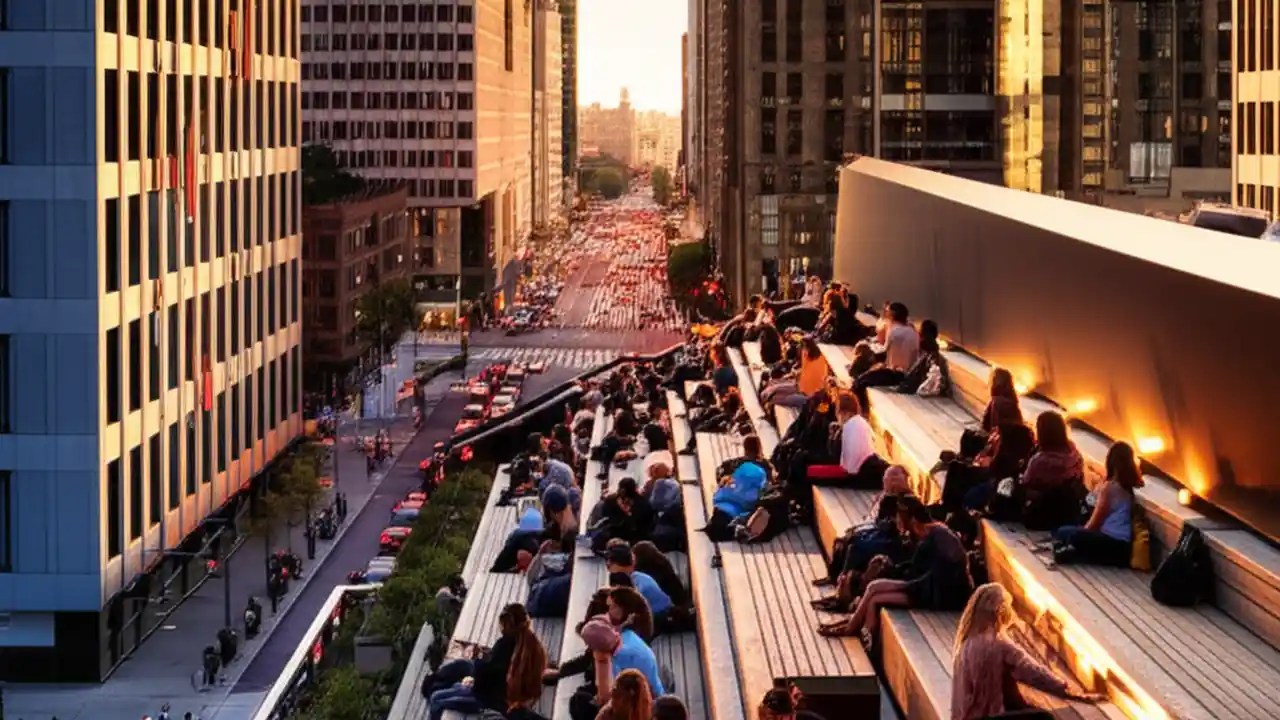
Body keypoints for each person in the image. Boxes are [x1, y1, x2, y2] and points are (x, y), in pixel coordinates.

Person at [818, 497, 973, 644]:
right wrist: (891, 567)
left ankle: (850, 627)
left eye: (899, 518)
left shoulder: (940, 535)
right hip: (923, 588)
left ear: (912, 519)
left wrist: (906, 585)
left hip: (943, 594)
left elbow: (950, 571)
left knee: (874, 587)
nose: (897, 522)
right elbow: (915, 567)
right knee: (874, 599)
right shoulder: (920, 536)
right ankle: (864, 632)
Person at [951, 584, 1102, 719]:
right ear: (1000, 611)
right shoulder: (998, 644)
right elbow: (1033, 672)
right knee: (1043, 717)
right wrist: (1071, 692)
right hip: (989, 716)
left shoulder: (964, 646)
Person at [425, 603, 548, 720]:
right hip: (513, 696)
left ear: (508, 625)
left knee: (436, 699)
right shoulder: (533, 644)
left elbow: (487, 680)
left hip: (493, 701)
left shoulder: (504, 646)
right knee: (456, 684)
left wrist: (476, 659)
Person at [1051, 442, 1142, 566]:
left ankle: (1070, 550)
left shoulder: (1109, 488)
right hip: (1124, 548)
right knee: (1070, 533)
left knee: (1064, 532)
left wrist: (1081, 533)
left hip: (1112, 543)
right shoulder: (1128, 486)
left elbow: (1095, 523)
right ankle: (1072, 550)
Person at [804, 392, 888, 489]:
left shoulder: (849, 427)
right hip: (862, 469)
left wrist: (833, 436)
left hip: (852, 474)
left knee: (806, 468)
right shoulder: (861, 421)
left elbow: (837, 459)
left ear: (843, 412)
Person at [1018, 411, 1086, 530]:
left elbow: (1026, 482)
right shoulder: (1074, 453)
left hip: (1043, 514)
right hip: (1069, 511)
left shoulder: (1040, 460)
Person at [852, 302, 919, 411]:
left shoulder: (894, 331)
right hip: (908, 373)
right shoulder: (913, 331)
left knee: (860, 381)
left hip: (896, 374)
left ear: (892, 315)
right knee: (866, 375)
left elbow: (883, 353)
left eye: (887, 312)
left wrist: (867, 348)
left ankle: (859, 411)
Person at [604, 543, 674, 624]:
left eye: (611, 561)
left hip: (659, 616)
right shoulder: (626, 578)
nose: (607, 563)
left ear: (623, 565)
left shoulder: (640, 585)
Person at [762, 336, 829, 408]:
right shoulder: (805, 355)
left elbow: (817, 380)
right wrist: (794, 374)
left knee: (774, 395)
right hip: (799, 387)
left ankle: (767, 404)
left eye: (804, 347)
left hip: (808, 396)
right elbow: (804, 372)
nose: (802, 349)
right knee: (771, 387)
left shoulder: (821, 360)